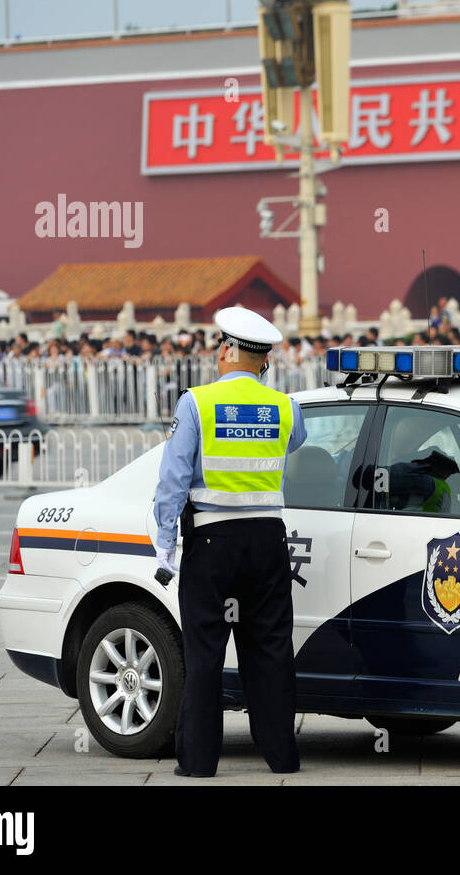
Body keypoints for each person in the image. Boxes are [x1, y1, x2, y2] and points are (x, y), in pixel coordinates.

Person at [152, 306, 308, 778]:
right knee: (272, 650)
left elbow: (174, 479)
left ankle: (198, 763)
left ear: (227, 351)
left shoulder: (195, 403)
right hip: (267, 541)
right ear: (264, 360)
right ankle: (282, 757)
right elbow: (295, 441)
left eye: (221, 346)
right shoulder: (286, 407)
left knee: (205, 653)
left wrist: (164, 542)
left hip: (212, 542)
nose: (219, 352)